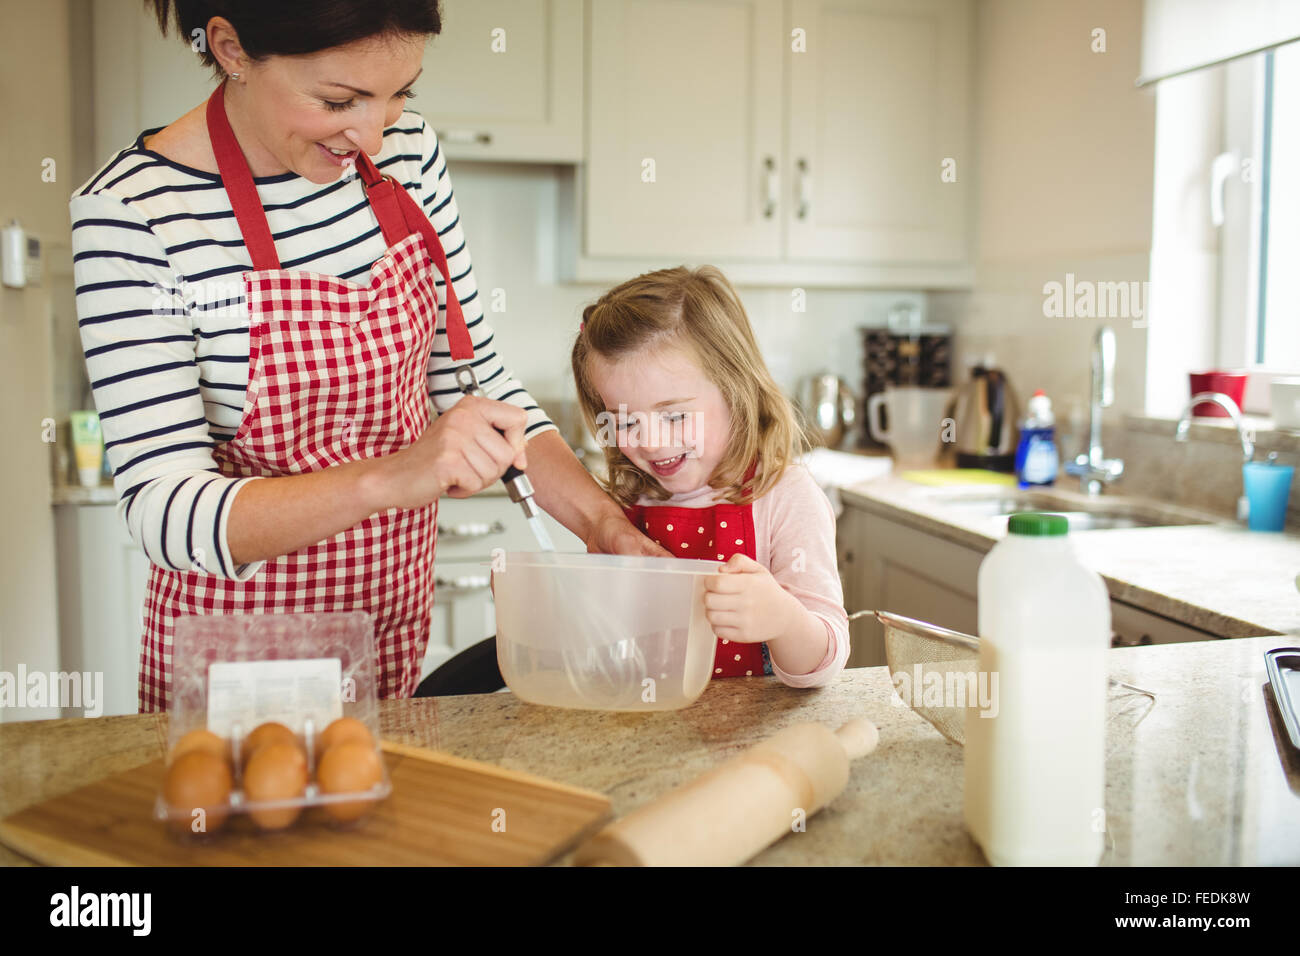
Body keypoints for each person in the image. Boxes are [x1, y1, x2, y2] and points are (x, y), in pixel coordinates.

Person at [70, 0, 663, 712]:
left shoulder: (407, 153)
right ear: (230, 49)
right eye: (338, 100)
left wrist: (603, 527)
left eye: (399, 93)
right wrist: (392, 478)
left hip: (387, 639)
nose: (372, 133)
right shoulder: (136, 213)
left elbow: (476, 383)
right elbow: (163, 509)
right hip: (239, 669)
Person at [571, 266, 850, 685]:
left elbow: (823, 665)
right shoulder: (629, 501)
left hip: (751, 739)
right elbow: (605, 640)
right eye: (624, 421)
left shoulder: (784, 497)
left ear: (735, 389)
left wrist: (783, 620)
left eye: (675, 415)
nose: (650, 443)